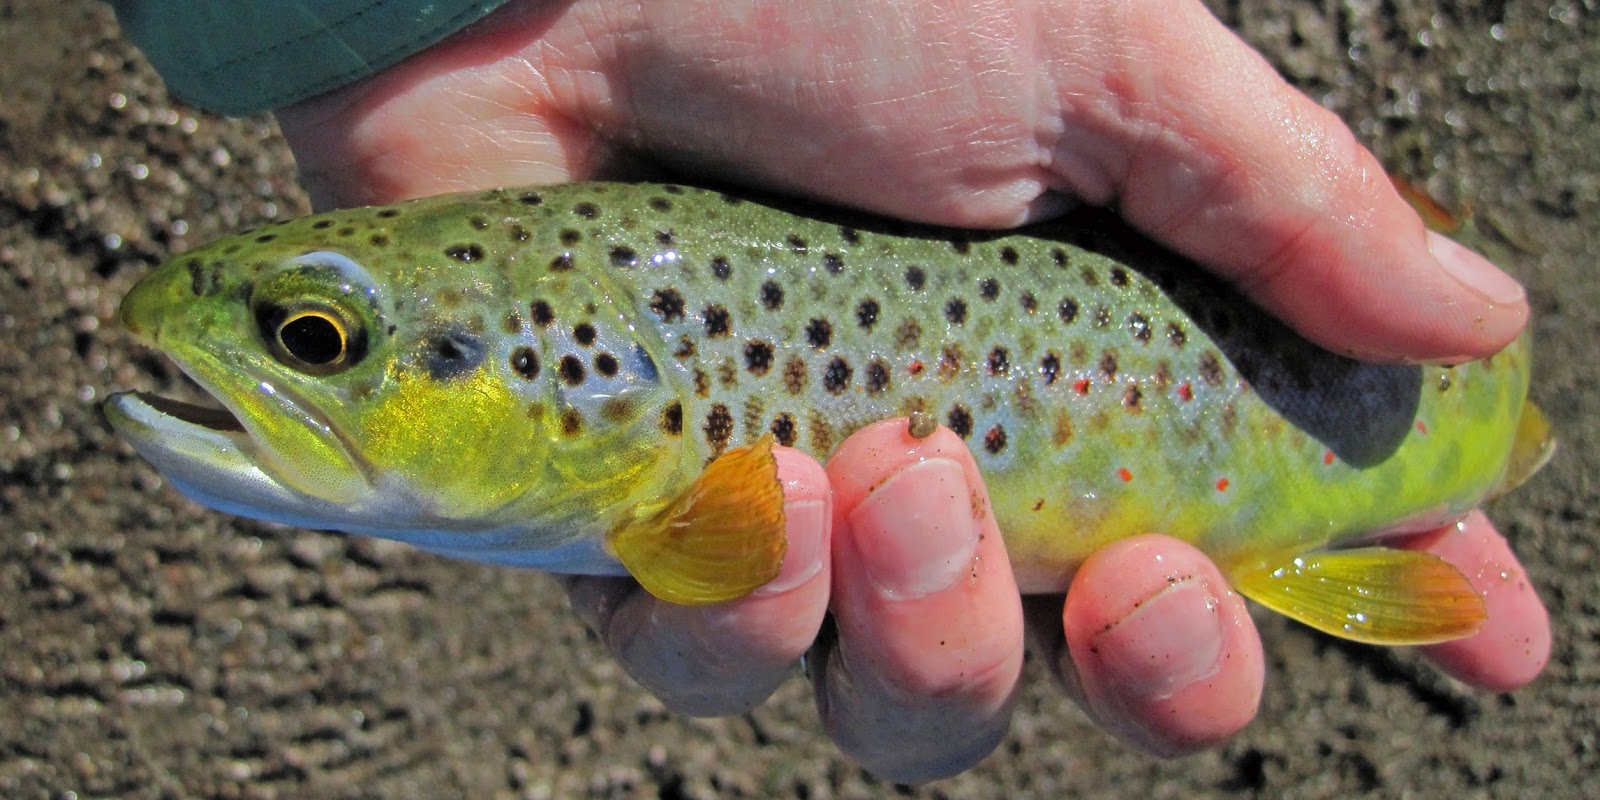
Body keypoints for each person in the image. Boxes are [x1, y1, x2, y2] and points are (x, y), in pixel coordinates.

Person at [112, 0, 1550, 783]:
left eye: (315, 344)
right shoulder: (651, 462)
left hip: (1389, 398)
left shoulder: (683, 490)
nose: (293, 363)